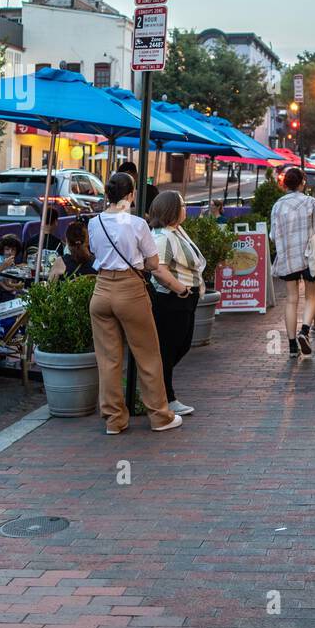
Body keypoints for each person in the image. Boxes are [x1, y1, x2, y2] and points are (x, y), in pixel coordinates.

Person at [89, 171, 189, 435]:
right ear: (131, 195)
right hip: (129, 290)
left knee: (108, 359)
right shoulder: (136, 224)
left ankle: (114, 420)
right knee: (147, 355)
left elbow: (95, 253)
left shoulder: (94, 222)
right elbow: (154, 264)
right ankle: (159, 415)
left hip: (101, 291)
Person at [148, 191, 205, 417]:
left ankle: (163, 394)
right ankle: (166, 397)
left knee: (180, 346)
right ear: (172, 209)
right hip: (172, 300)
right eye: (182, 205)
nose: (185, 209)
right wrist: (180, 289)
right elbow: (158, 268)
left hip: (184, 299)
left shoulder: (175, 231)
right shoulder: (162, 236)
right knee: (170, 349)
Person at [269, 166, 315, 357]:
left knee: (291, 300)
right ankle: (305, 331)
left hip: (288, 258)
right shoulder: (310, 202)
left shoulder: (278, 205)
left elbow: (273, 235)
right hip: (310, 257)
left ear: (285, 184)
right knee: (312, 297)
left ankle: (292, 346)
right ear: (302, 182)